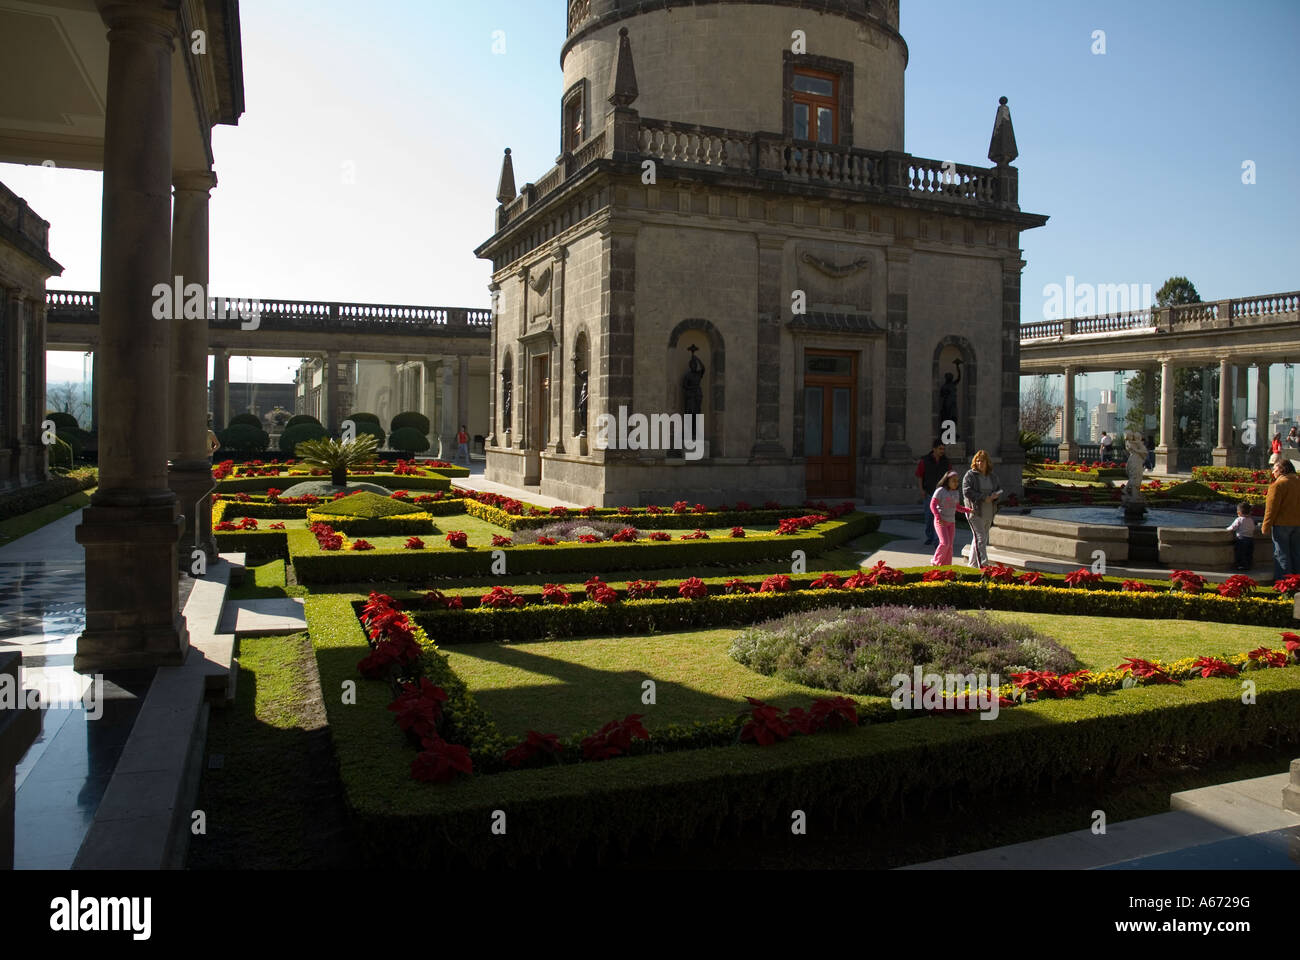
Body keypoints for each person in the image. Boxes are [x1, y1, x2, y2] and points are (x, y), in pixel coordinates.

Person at [1261, 458, 1300, 581]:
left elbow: (1271, 508)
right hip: (1298, 524)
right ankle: (1297, 582)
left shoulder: (1278, 485)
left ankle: (1285, 584)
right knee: (1296, 554)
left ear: (1282, 470)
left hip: (1282, 524)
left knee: (1282, 554)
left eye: (1275, 469)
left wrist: (1265, 526)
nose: (1273, 472)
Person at [961, 450, 1002, 567]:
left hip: (989, 511)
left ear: (987, 462)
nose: (980, 463)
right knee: (981, 538)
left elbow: (999, 489)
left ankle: (972, 564)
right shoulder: (970, 475)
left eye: (982, 461)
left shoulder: (993, 476)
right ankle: (983, 566)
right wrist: (984, 497)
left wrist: (995, 496)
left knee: (979, 538)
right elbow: (967, 491)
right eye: (978, 461)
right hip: (975, 512)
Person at [930, 471, 971, 566]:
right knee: (945, 543)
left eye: (957, 481)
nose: (956, 483)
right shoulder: (940, 491)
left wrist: (969, 510)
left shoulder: (956, 492)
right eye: (953, 481)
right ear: (947, 481)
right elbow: (932, 505)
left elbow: (957, 507)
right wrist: (938, 516)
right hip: (941, 521)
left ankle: (947, 566)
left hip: (951, 522)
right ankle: (935, 562)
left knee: (950, 546)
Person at [915, 440, 950, 546]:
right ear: (934, 449)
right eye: (940, 449)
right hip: (929, 493)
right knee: (929, 517)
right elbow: (920, 475)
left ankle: (937, 539)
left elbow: (949, 476)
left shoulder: (946, 462)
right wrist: (921, 490)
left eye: (943, 449)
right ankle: (930, 536)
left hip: (942, 494)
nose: (942, 451)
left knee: (939, 517)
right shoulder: (925, 461)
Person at [1227, 502, 1256, 572]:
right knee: (1248, 553)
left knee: (1240, 553)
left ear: (1239, 512)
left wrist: (1227, 529)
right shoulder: (1251, 520)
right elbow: (1253, 528)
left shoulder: (1239, 519)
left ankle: (1241, 566)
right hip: (1250, 539)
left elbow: (1233, 527)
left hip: (1241, 539)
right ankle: (1248, 565)